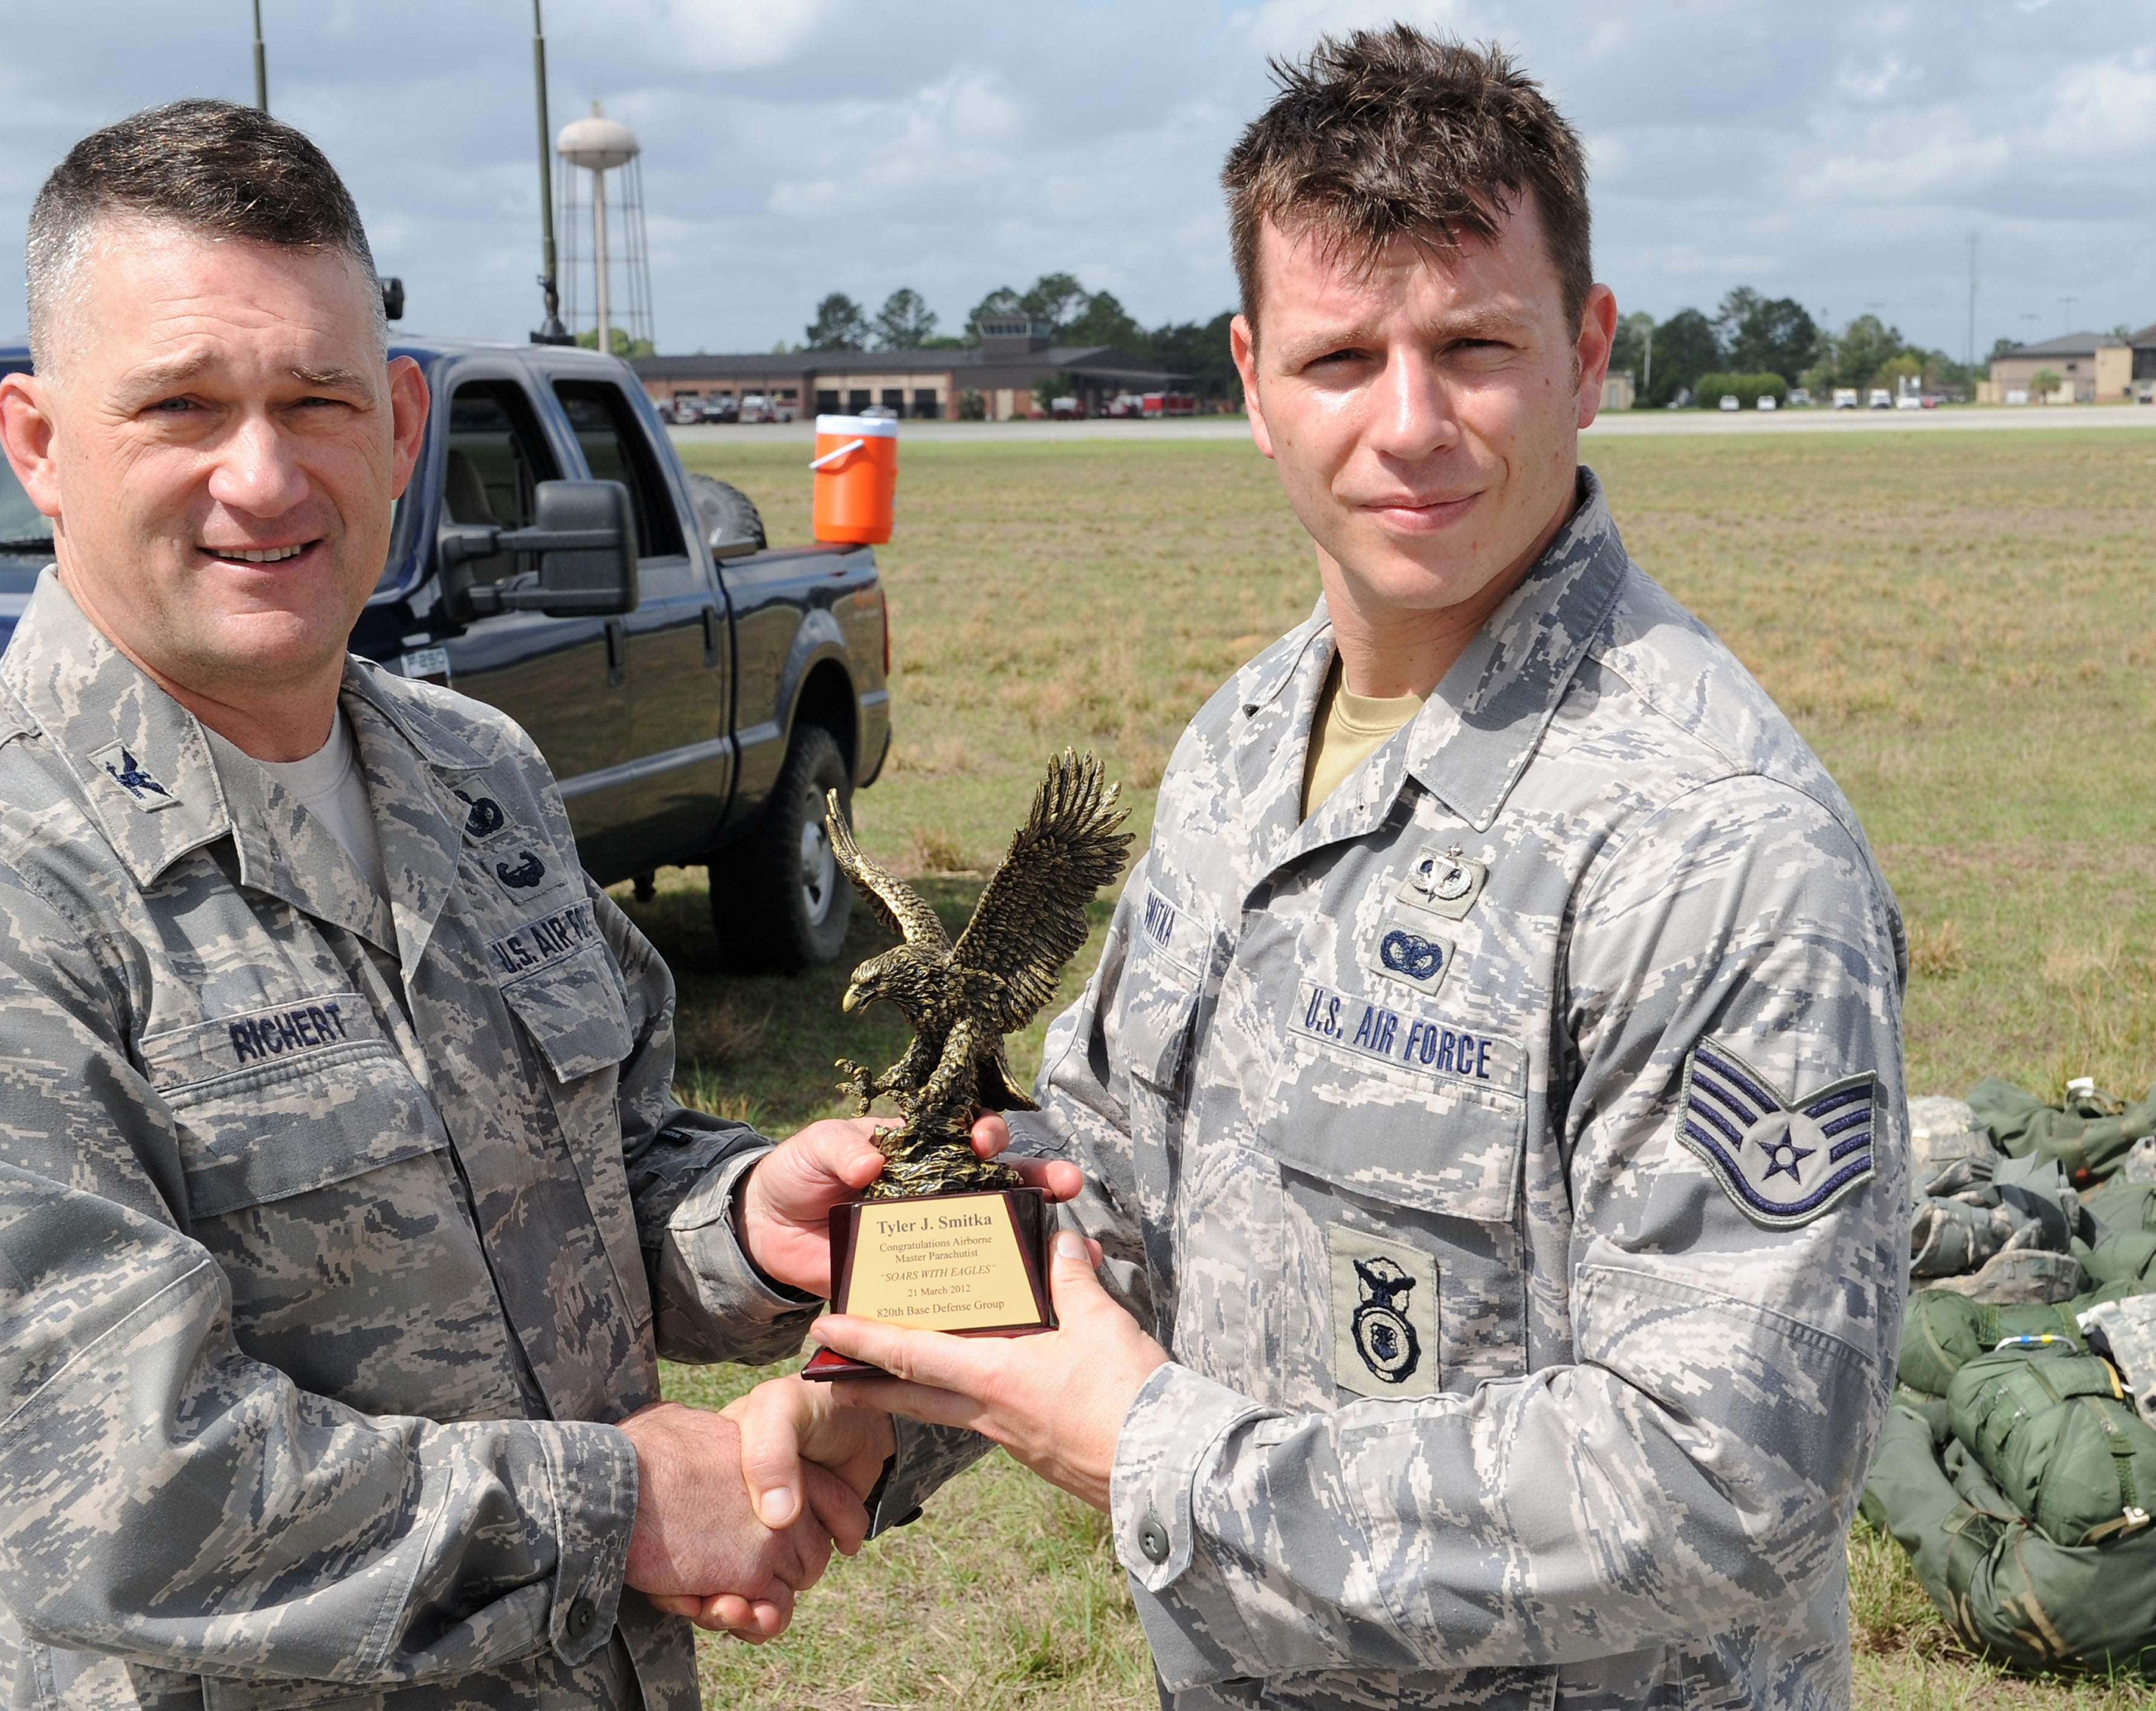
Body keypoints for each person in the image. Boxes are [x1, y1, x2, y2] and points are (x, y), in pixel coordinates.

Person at [0, 98, 1053, 1711]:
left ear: (404, 424)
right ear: (39, 444)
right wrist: (634, 1505)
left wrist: (754, 1228)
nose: (264, 473)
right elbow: (116, 1493)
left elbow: (598, 1171)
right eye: (179, 406)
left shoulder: (469, 771)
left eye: (319, 399)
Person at [783, 26, 1909, 1710]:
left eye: (1475, 345)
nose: (1411, 425)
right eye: (1338, 359)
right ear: (1249, 380)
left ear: (1589, 351)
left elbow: (1725, 1474)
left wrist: (1153, 1453)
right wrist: (865, 1415)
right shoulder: (1249, 738)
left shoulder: (1714, 842)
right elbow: (1121, 1177)